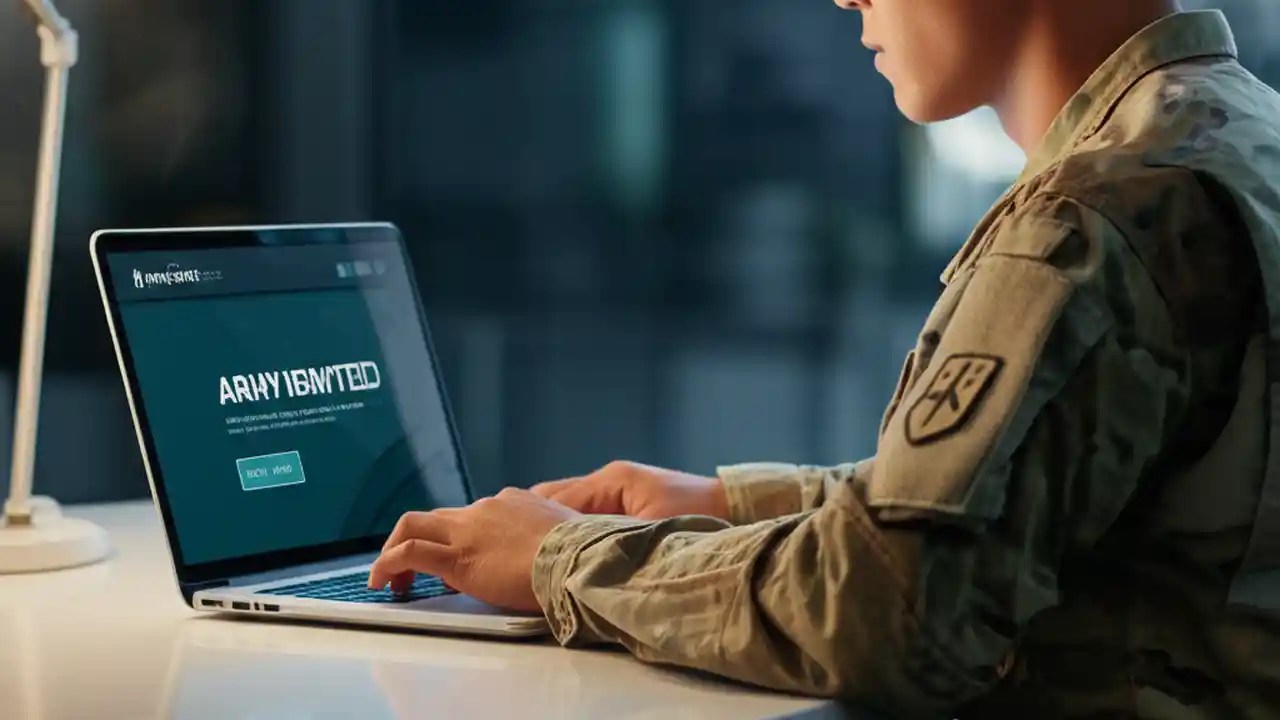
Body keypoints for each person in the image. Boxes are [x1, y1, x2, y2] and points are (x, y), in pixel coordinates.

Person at [368, 1, 1280, 717]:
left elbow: (891, 608)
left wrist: (564, 559)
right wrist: (728, 505)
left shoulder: (1092, 218)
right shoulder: (1239, 138)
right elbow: (1050, 492)